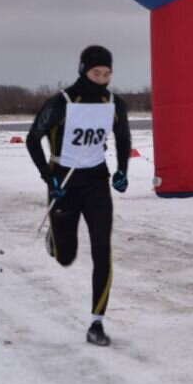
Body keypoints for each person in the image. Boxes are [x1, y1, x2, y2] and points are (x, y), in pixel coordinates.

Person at [25, 45, 131, 347]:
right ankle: (55, 241)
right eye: (96, 73)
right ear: (83, 70)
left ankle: (97, 323)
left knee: (103, 250)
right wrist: (49, 177)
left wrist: (122, 170)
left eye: (107, 74)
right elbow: (33, 139)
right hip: (64, 182)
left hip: (97, 182)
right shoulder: (62, 102)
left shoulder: (114, 103)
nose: (102, 79)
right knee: (66, 257)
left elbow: (123, 139)